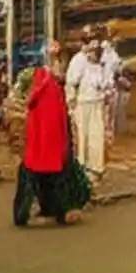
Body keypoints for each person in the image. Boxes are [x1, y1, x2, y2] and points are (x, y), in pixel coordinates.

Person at [13, 66, 89, 226]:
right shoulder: (55, 91)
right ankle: (59, 212)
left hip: (36, 146)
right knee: (57, 181)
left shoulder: (36, 91)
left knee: (29, 179)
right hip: (54, 145)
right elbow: (61, 120)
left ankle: (21, 215)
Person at [67, 40, 109, 181]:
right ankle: (82, 167)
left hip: (97, 101)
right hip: (82, 102)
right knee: (82, 135)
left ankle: (96, 167)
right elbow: (72, 81)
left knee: (97, 135)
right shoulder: (78, 60)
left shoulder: (101, 60)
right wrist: (71, 100)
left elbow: (105, 82)